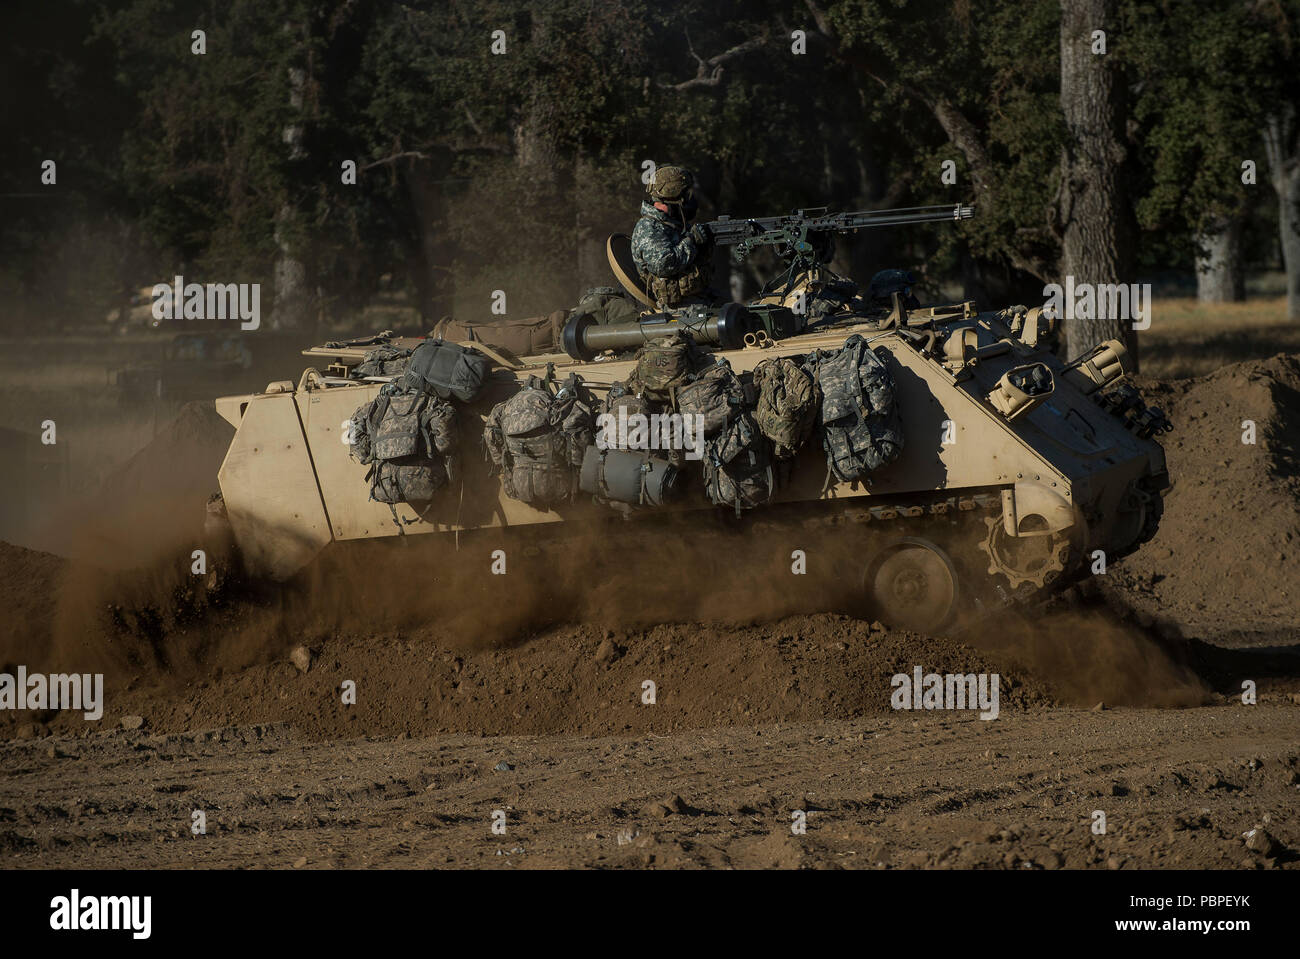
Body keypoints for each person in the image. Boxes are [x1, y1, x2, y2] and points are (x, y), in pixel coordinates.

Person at [630, 164, 715, 308]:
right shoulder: (649, 227)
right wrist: (692, 241)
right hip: (676, 309)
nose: (690, 200)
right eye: (686, 194)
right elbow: (663, 264)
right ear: (673, 194)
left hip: (698, 298)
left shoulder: (673, 223)